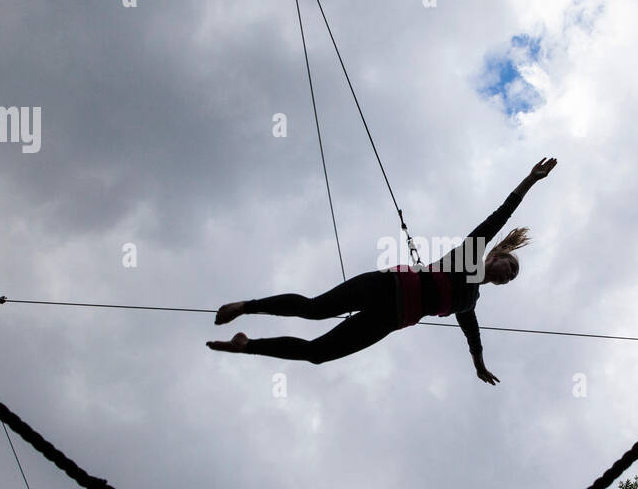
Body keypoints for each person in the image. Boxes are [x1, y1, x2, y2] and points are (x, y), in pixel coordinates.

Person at [208, 157, 556, 384]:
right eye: (509, 265)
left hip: (388, 320)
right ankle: (245, 306)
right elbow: (501, 214)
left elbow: (474, 338)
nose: (509, 274)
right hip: (384, 287)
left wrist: (479, 366)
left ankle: (247, 346)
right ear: (493, 254)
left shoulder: (469, 303)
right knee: (314, 309)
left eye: (512, 276)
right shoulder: (469, 253)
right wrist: (530, 180)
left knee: (317, 354)